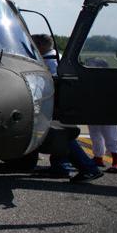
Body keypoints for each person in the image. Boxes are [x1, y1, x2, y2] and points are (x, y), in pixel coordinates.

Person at [30, 34, 104, 183]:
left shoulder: (51, 60)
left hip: (53, 104)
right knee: (60, 135)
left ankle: (88, 168)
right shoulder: (57, 57)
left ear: (41, 45)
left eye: (34, 44)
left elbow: (50, 82)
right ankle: (61, 166)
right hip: (59, 104)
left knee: (60, 136)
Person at [81, 58, 117, 173]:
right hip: (93, 109)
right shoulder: (90, 79)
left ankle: (116, 162)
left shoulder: (112, 79)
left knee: (112, 135)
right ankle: (98, 158)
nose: (87, 68)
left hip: (109, 110)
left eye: (91, 66)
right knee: (95, 134)